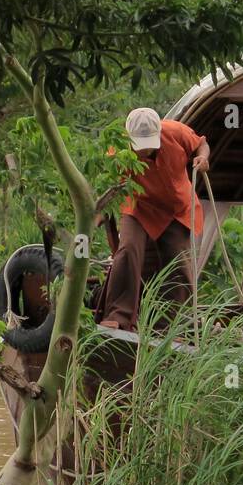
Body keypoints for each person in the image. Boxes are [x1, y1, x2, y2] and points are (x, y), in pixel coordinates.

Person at [98, 107, 209, 332]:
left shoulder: (175, 132)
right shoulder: (117, 150)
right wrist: (97, 215)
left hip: (175, 208)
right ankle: (119, 316)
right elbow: (110, 189)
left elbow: (201, 144)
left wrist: (202, 158)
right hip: (139, 205)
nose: (145, 151)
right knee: (128, 250)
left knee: (179, 262)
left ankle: (169, 326)